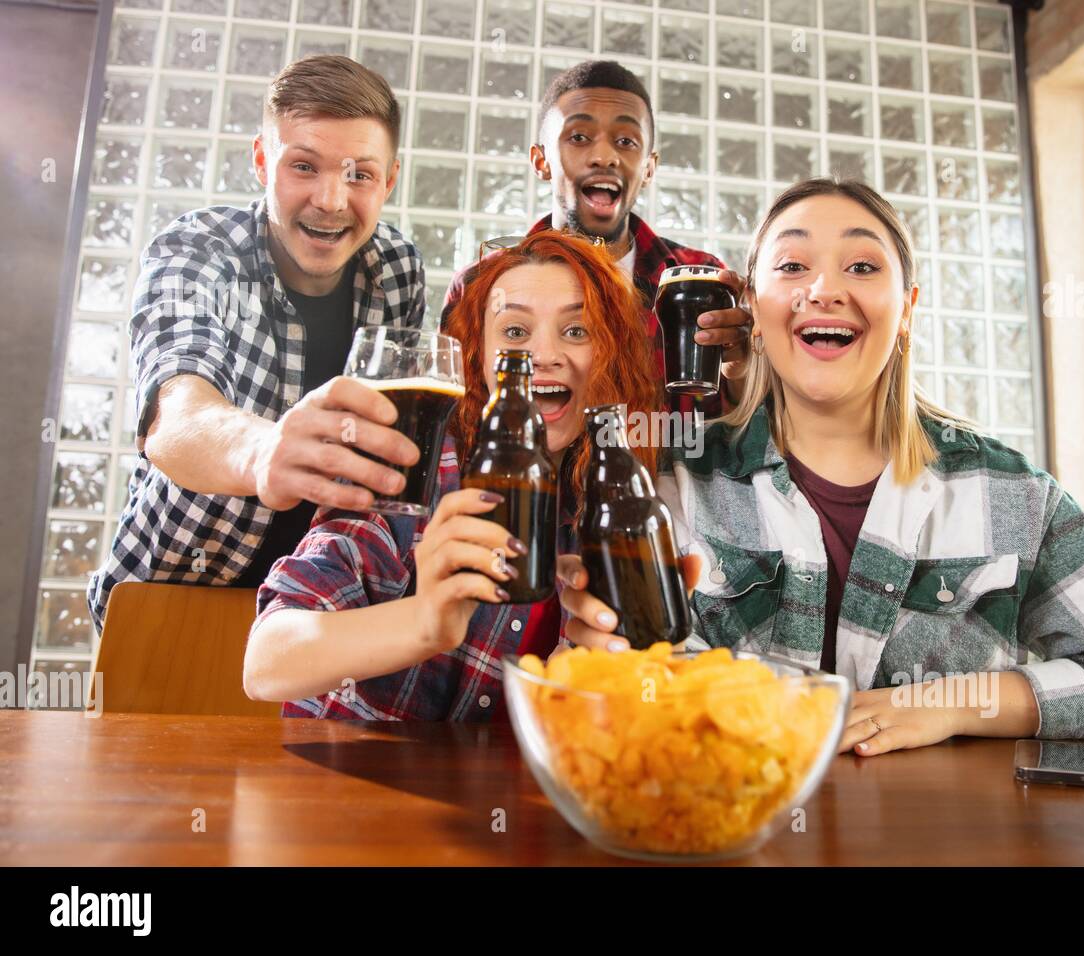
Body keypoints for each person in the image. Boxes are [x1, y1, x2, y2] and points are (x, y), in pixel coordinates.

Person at [559, 179, 1084, 756]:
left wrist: (954, 704)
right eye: (792, 265)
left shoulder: (1012, 494)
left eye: (862, 267)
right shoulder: (672, 482)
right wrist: (604, 659)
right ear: (752, 312)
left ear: (907, 309)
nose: (824, 288)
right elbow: (625, 698)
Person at [242, 232, 661, 718]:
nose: (544, 355)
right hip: (345, 785)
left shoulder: (610, 505)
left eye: (575, 331)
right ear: (478, 360)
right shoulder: (414, 469)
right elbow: (268, 660)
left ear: (610, 353)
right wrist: (424, 622)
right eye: (515, 332)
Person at [88, 55, 428, 630]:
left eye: (359, 174)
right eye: (304, 166)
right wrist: (262, 453)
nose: (330, 199)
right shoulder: (197, 250)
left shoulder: (397, 271)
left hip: (323, 616)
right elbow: (174, 418)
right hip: (170, 603)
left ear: (389, 179)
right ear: (262, 159)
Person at [441, 60, 752, 405]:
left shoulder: (699, 275)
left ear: (649, 168)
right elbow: (457, 424)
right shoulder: (478, 285)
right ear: (541, 161)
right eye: (578, 137)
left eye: (625, 141)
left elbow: (733, 426)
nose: (605, 156)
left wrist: (743, 373)